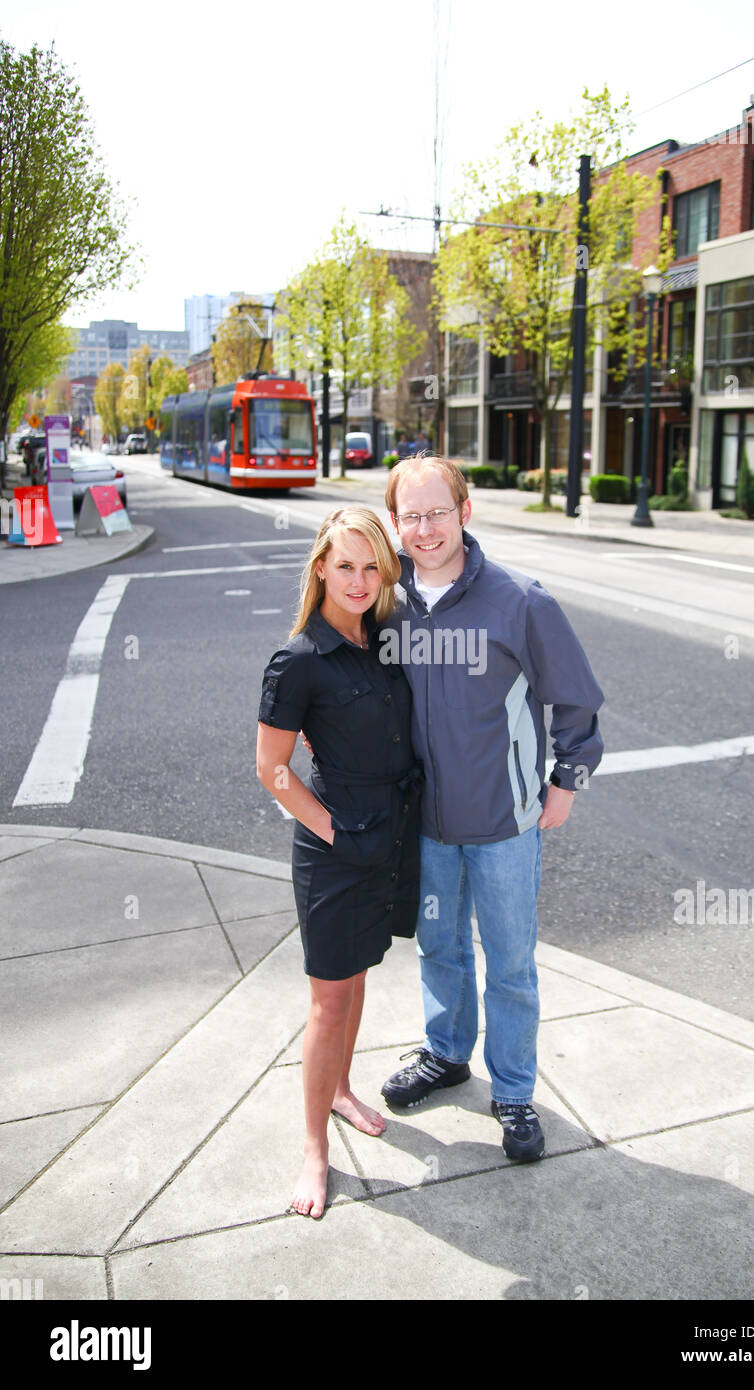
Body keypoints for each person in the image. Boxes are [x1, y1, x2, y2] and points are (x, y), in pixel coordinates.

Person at [378, 456, 604, 1162]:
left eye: (437, 511)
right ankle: (447, 1054)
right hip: (427, 826)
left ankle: (513, 1092)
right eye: (410, 515)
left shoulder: (520, 600)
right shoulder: (388, 603)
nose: (425, 528)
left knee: (510, 964)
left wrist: (565, 781)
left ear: (464, 511)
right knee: (440, 948)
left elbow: (576, 697)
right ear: (396, 523)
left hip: (506, 822)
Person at [256, 507, 422, 1218]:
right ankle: (314, 1149)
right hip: (334, 849)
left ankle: (344, 1089)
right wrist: (335, 832)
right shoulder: (299, 660)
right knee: (328, 1000)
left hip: (392, 833)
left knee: (356, 983)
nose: (358, 579)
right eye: (345, 564)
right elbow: (272, 769)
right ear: (320, 566)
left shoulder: (388, 638)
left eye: (371, 566)